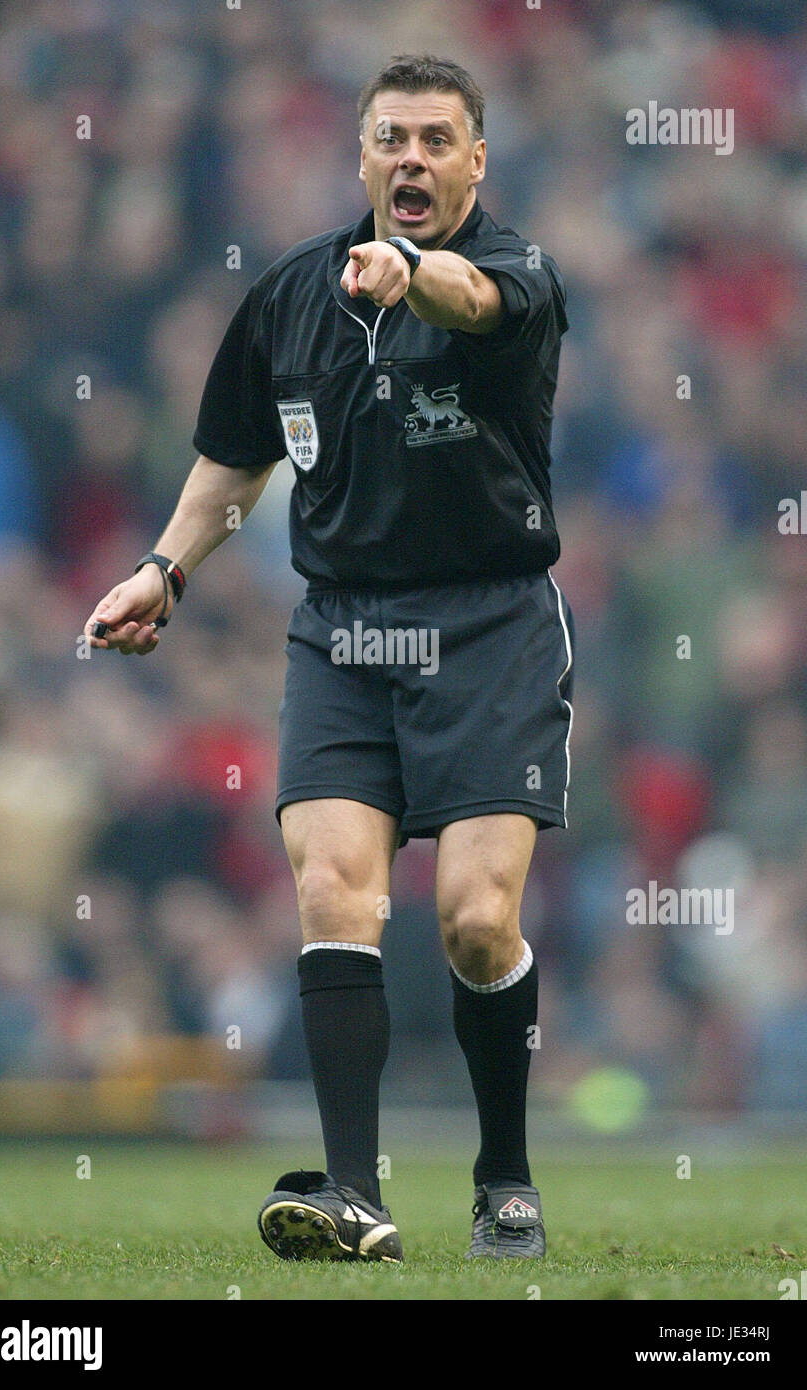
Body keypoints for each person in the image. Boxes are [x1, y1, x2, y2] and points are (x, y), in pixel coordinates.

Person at [86, 54, 572, 1264]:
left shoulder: (517, 276)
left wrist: (413, 272)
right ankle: (353, 1192)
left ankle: (501, 1172)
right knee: (331, 892)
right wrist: (166, 569)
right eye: (389, 139)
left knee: (470, 920)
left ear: (473, 162)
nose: (410, 158)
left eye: (434, 141)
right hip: (344, 630)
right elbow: (235, 456)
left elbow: (465, 300)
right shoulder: (293, 293)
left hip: (491, 624)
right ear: (360, 156)